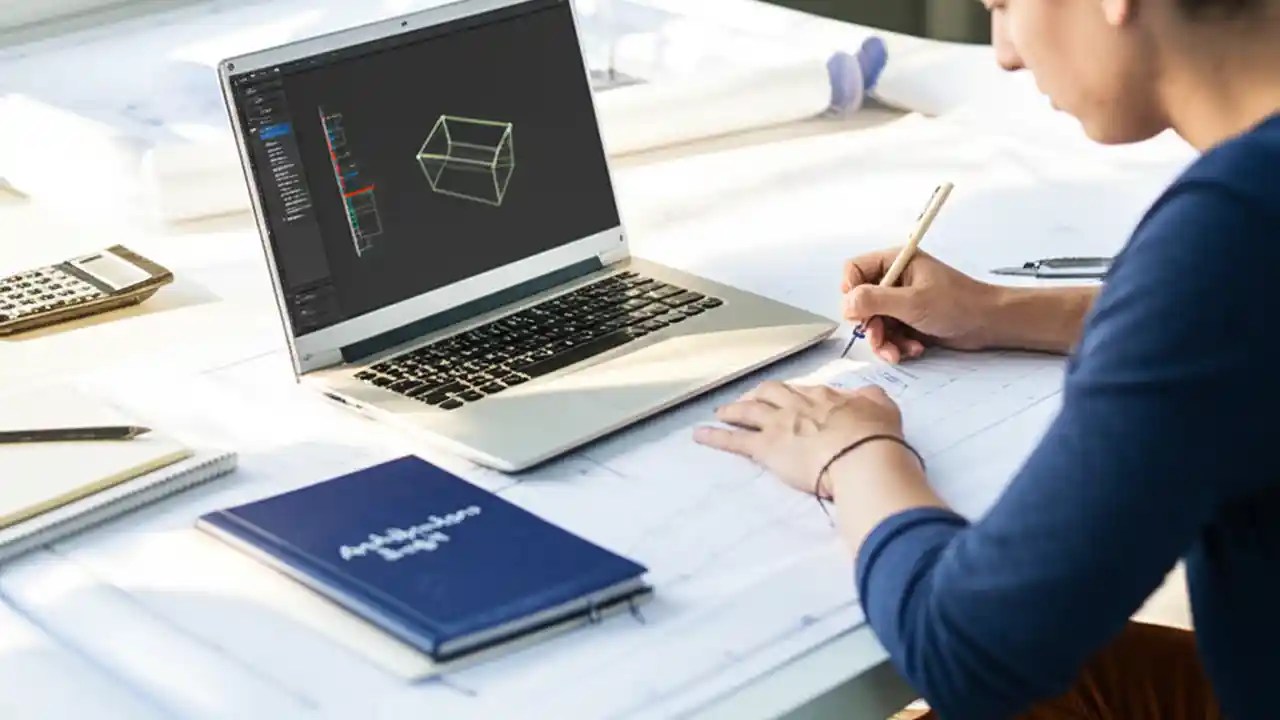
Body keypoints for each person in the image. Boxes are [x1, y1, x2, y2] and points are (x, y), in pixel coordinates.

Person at [693, 0, 1280, 717]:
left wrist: (857, 453)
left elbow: (973, 649)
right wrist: (998, 312)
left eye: (1004, 5)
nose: (1004, 51)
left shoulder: (1233, 232)